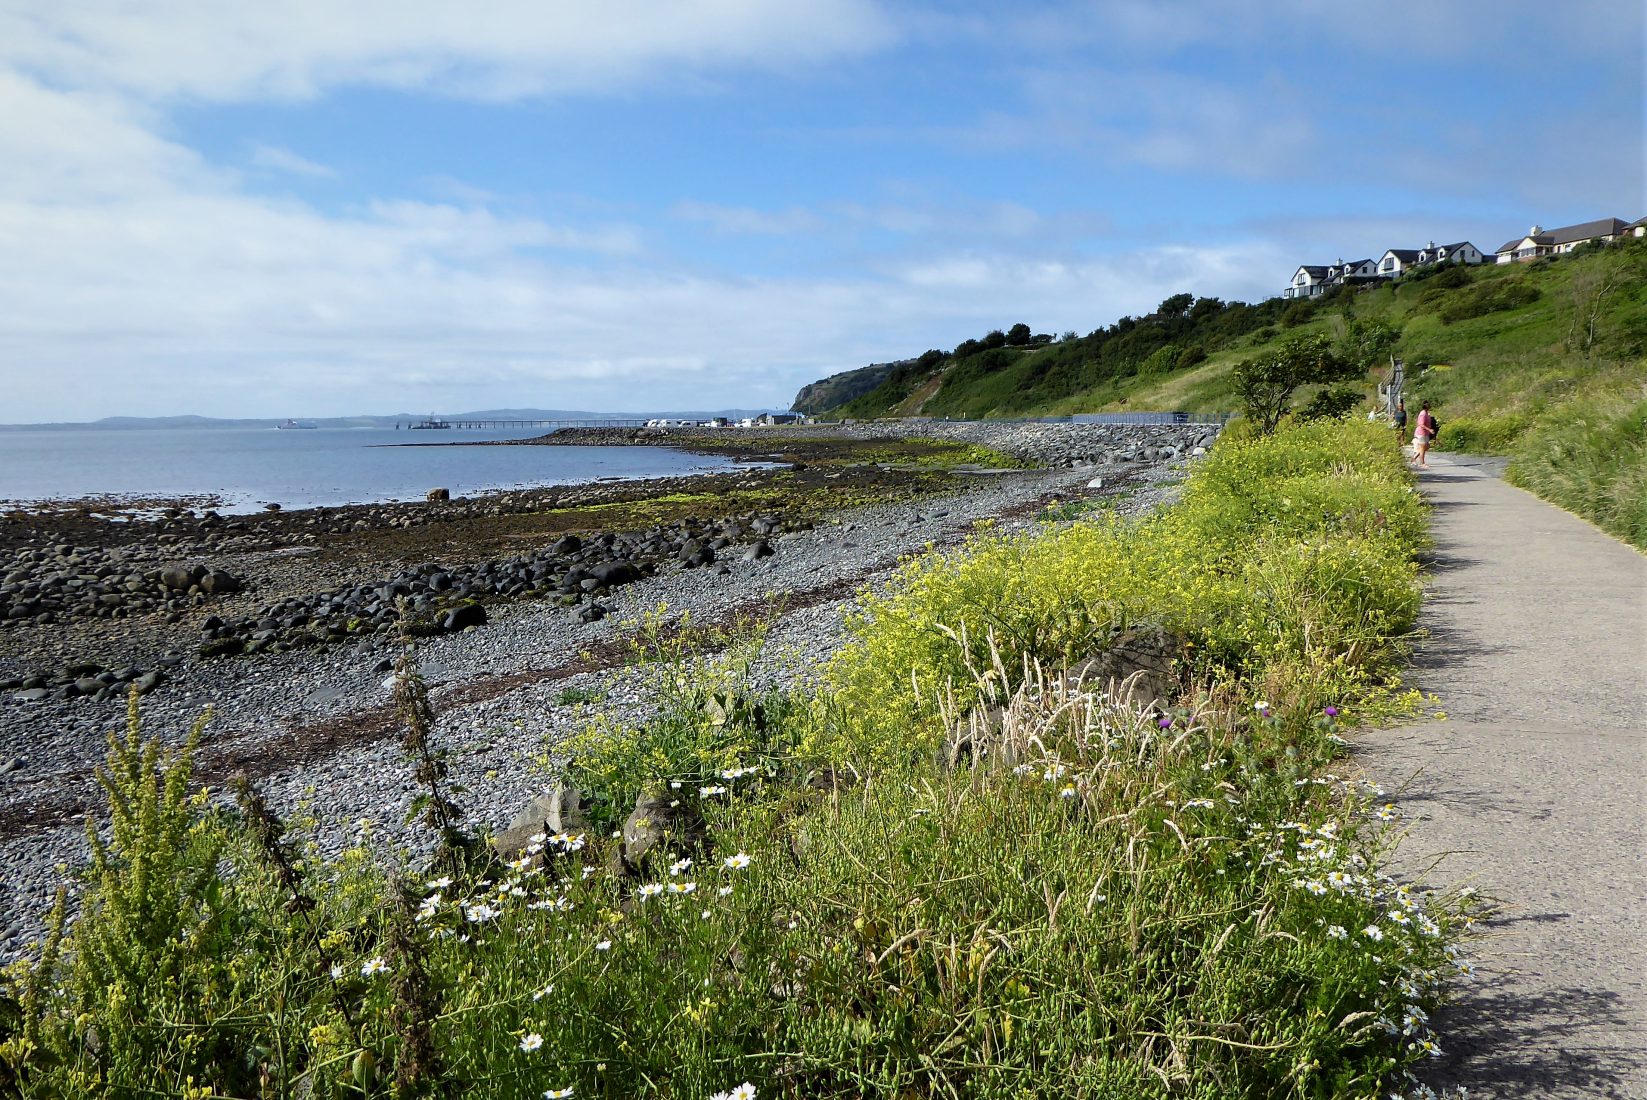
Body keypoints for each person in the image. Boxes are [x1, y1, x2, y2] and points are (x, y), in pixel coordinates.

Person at [1412, 401, 1437, 467]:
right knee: (1422, 448)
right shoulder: (1423, 414)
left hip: (1426, 433)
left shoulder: (1427, 413)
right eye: (1428, 405)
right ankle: (1422, 463)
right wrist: (1429, 429)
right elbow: (1421, 424)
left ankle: (1413, 458)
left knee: (1427, 446)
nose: (1429, 406)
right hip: (1421, 433)